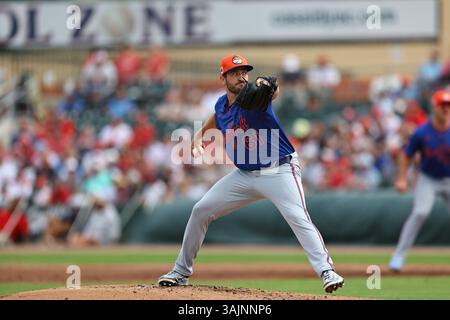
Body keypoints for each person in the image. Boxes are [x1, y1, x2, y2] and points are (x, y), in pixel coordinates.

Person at [158, 54, 344, 293]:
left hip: (279, 169)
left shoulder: (257, 98)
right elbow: (218, 116)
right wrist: (199, 135)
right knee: (200, 210)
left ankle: (327, 271)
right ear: (223, 77)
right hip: (245, 175)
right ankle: (181, 272)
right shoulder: (220, 105)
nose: (241, 76)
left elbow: (271, 92)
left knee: (297, 217)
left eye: (244, 71)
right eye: (235, 72)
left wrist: (269, 86)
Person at [389, 90, 450, 271]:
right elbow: (406, 155)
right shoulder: (422, 132)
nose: (446, 109)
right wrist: (401, 178)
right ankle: (398, 256)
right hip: (428, 178)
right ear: (435, 107)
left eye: (448, 105)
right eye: (443, 105)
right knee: (420, 213)